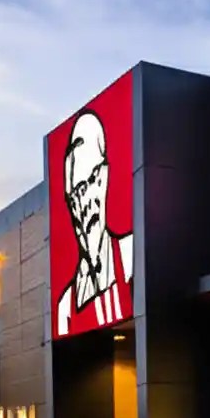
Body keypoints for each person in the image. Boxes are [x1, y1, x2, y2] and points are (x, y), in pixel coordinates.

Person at [56, 110, 134, 338]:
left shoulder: (130, 256)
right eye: (72, 198)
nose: (80, 206)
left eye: (84, 187)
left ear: (103, 178)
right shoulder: (65, 306)